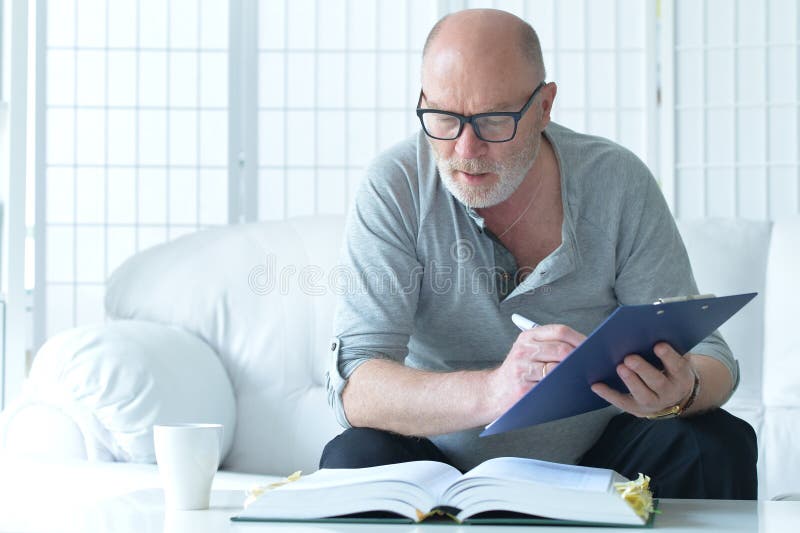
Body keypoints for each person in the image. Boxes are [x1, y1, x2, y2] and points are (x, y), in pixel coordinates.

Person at [321, 8, 757, 499]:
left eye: (493, 120)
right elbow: (355, 384)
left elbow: (711, 358)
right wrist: (494, 391)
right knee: (353, 458)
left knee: (716, 442)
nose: (466, 148)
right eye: (443, 116)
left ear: (544, 105)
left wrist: (684, 391)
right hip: (439, 462)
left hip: (602, 461)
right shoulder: (395, 184)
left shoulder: (615, 180)